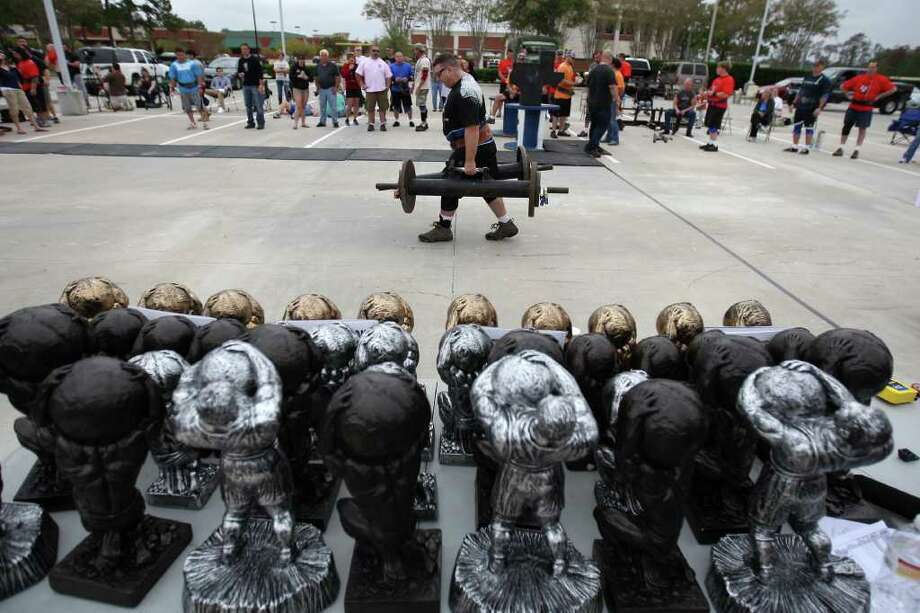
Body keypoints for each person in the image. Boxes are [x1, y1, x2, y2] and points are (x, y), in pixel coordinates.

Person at [414, 54, 517, 243]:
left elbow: (471, 128)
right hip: (483, 146)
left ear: (450, 69)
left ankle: (444, 228)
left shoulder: (465, 92)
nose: (438, 79)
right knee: (487, 184)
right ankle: (506, 223)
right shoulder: (465, 81)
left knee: (449, 182)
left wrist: (470, 160)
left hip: (475, 147)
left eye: (439, 74)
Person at [832, 61, 896, 160]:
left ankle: (857, 149)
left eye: (873, 67)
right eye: (869, 67)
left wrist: (879, 96)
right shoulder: (860, 78)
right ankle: (841, 147)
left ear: (876, 68)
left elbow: (893, 89)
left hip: (866, 108)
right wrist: (847, 93)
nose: (870, 69)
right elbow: (843, 86)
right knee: (846, 126)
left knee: (862, 129)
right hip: (854, 106)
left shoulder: (881, 79)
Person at [784, 59, 831, 154]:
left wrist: (820, 108)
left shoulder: (825, 80)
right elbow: (801, 91)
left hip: (812, 107)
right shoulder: (808, 77)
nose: (816, 68)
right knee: (797, 126)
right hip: (801, 106)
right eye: (815, 66)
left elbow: (825, 95)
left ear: (822, 68)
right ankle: (794, 146)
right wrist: (793, 103)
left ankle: (806, 148)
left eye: (818, 66)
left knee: (809, 127)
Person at [0, 51, 47, 134]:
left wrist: (20, 84)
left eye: (2, 53)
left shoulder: (12, 67)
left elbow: (19, 77)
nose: (2, 54)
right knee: (14, 109)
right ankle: (19, 128)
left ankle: (36, 126)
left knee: (27, 107)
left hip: (18, 89)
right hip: (7, 89)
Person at [584, 53, 617, 158]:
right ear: (610, 60)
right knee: (602, 125)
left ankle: (595, 145)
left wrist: (588, 100)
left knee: (594, 124)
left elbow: (588, 86)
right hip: (603, 102)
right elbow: (612, 87)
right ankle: (591, 147)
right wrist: (616, 99)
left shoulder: (593, 70)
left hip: (592, 102)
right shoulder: (609, 71)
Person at [355, 46, 392, 132]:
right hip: (370, 90)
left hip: (381, 89)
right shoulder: (364, 62)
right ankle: (371, 124)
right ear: (370, 52)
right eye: (374, 51)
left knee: (382, 108)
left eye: (377, 51)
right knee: (370, 108)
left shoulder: (383, 63)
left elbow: (389, 76)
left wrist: (387, 86)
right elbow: (357, 74)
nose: (376, 52)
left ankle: (383, 124)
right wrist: (362, 84)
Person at [700, 62, 734, 152]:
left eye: (718, 67)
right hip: (712, 104)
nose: (716, 69)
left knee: (714, 125)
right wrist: (705, 94)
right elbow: (711, 90)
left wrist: (714, 93)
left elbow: (726, 94)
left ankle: (714, 145)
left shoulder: (729, 79)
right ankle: (710, 143)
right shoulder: (716, 80)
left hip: (719, 105)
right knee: (710, 124)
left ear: (723, 68)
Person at [10, 48, 50, 126]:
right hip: (26, 86)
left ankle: (44, 120)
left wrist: (33, 88)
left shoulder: (29, 62)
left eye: (16, 53)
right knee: (33, 104)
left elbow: (34, 77)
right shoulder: (20, 63)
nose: (15, 55)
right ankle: (39, 119)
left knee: (39, 103)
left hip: (33, 86)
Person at [168, 49, 205, 129]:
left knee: (199, 105)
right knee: (187, 107)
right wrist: (172, 88)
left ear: (185, 55)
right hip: (183, 88)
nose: (180, 57)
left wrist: (200, 86)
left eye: (181, 55)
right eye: (178, 55)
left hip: (194, 87)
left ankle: (204, 121)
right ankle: (192, 122)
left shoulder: (192, 64)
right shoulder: (174, 65)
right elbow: (172, 77)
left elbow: (198, 75)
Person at [238, 43, 266, 130]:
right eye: (242, 49)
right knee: (248, 105)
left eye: (245, 49)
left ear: (248, 50)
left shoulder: (254, 59)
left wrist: (261, 85)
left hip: (255, 85)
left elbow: (260, 73)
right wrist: (240, 74)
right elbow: (239, 71)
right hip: (246, 85)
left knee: (258, 105)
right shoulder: (241, 60)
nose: (244, 51)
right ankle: (250, 122)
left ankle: (260, 122)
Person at [550, 51, 576, 138]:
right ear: (568, 57)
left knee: (564, 114)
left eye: (574, 58)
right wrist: (572, 83)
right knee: (556, 113)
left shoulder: (570, 67)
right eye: (572, 58)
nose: (573, 60)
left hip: (566, 93)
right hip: (560, 93)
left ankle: (561, 130)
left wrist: (574, 82)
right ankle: (553, 130)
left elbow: (569, 78)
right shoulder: (562, 66)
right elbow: (560, 79)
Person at [314, 49, 341, 128]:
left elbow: (337, 77)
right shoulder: (317, 66)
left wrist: (336, 87)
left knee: (333, 106)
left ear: (327, 56)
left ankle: (335, 121)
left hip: (331, 88)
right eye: (322, 55)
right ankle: (322, 122)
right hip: (322, 89)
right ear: (320, 57)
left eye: (325, 55)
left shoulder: (333, 66)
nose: (323, 57)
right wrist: (317, 88)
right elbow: (316, 78)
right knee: (322, 106)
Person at [389, 51, 414, 128]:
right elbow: (389, 76)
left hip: (405, 89)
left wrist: (407, 78)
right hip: (395, 89)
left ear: (403, 57)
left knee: (408, 105)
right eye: (397, 56)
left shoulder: (408, 66)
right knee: (396, 106)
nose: (399, 58)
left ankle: (410, 120)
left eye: (400, 56)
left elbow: (412, 75)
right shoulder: (391, 66)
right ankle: (397, 121)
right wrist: (395, 78)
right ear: (395, 58)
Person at [605, 57, 626, 146]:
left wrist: (617, 97)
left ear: (613, 64)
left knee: (612, 119)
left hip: (614, 98)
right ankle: (609, 136)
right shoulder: (613, 73)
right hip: (610, 98)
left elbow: (621, 88)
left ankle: (615, 138)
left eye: (610, 63)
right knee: (608, 119)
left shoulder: (617, 74)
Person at [290, 57, 312, 129]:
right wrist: (298, 76)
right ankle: (295, 123)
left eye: (303, 60)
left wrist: (306, 77)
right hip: (297, 89)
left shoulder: (306, 69)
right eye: (300, 60)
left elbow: (311, 79)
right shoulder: (294, 67)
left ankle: (303, 123)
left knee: (303, 106)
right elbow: (291, 77)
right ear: (298, 60)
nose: (301, 61)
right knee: (299, 106)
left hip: (305, 90)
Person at [413, 45, 431, 131]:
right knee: (421, 105)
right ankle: (424, 122)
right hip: (421, 85)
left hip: (423, 86)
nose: (414, 52)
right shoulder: (420, 60)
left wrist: (419, 87)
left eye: (415, 50)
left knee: (422, 104)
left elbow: (425, 74)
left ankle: (424, 123)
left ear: (419, 51)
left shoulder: (424, 60)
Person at [341, 53, 361, 125]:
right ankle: (347, 118)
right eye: (350, 58)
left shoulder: (358, 66)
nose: (352, 60)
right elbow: (343, 75)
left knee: (356, 104)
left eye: (353, 58)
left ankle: (355, 118)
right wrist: (349, 69)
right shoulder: (345, 66)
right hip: (349, 88)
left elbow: (361, 75)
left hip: (357, 87)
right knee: (349, 104)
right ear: (348, 59)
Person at [495, 49, 514, 119]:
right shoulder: (503, 62)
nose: (510, 55)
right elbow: (499, 73)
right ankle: (499, 112)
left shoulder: (514, 63)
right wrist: (505, 80)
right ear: (507, 54)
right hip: (504, 82)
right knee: (501, 98)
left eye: (512, 54)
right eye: (509, 54)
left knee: (511, 97)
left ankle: (510, 112)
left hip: (512, 84)